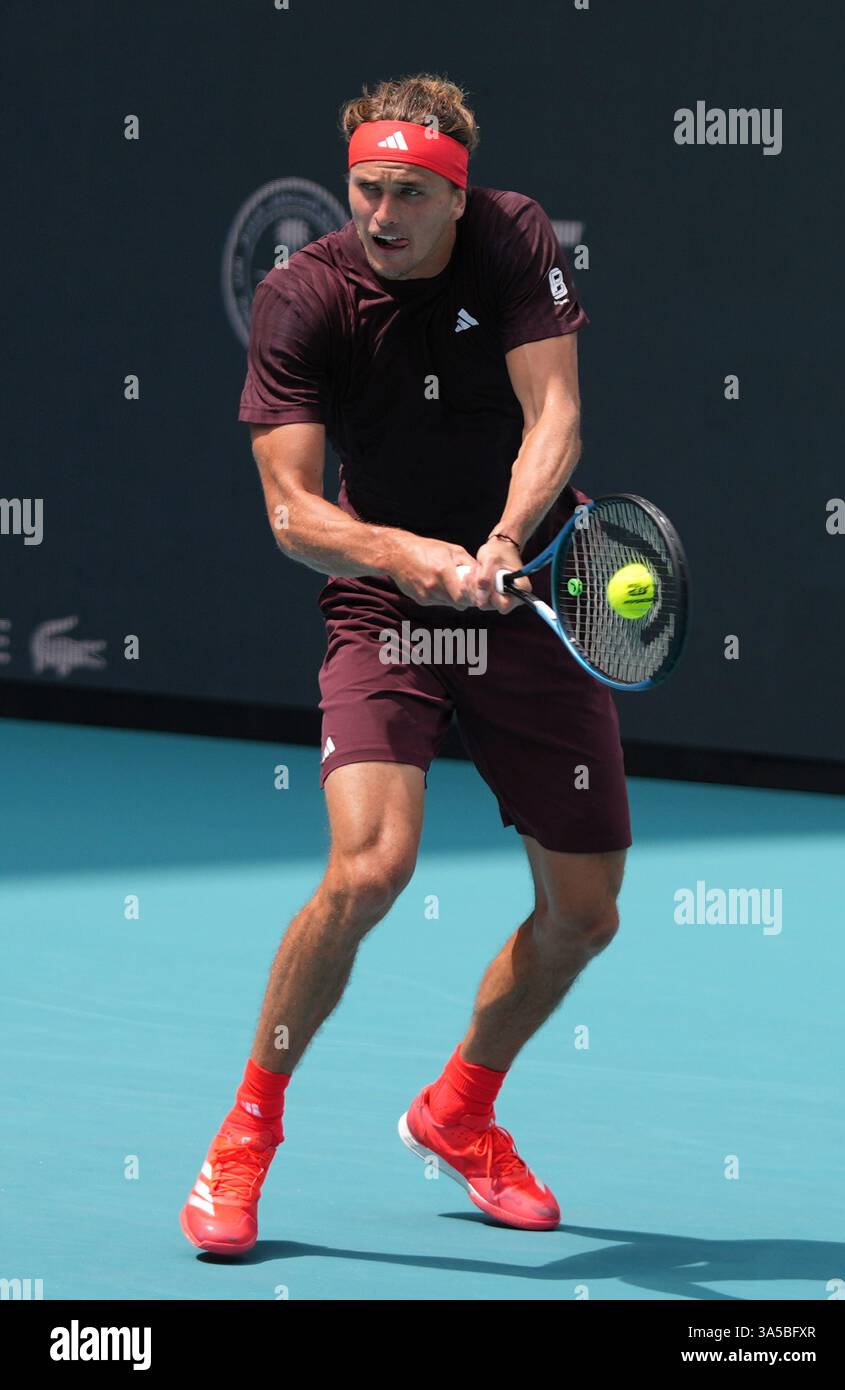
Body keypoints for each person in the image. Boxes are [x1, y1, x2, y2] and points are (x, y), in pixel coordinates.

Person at [180, 72, 631, 1256]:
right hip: (386, 607)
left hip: (527, 594)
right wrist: (409, 557)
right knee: (370, 865)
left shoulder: (512, 239)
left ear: (456, 194)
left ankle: (460, 1110)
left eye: (409, 195)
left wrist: (491, 545)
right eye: (365, 188)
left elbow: (556, 421)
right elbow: (288, 511)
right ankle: (246, 1130)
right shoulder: (303, 294)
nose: (381, 213)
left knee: (584, 914)